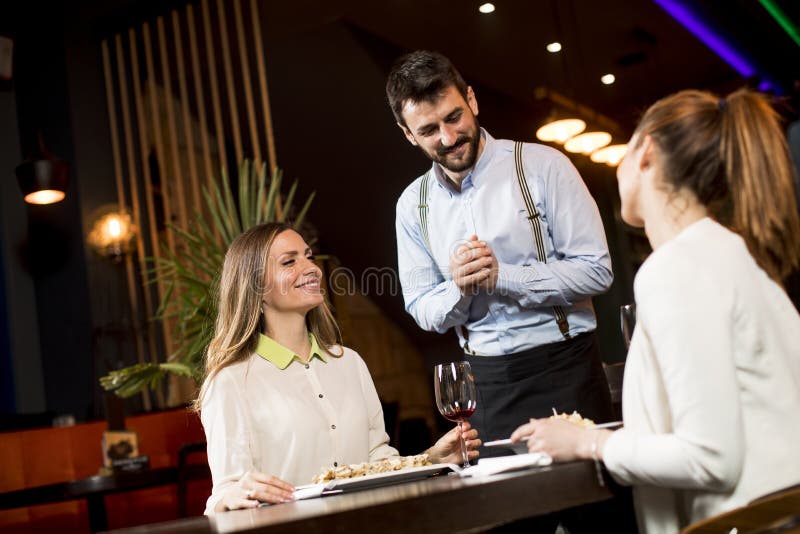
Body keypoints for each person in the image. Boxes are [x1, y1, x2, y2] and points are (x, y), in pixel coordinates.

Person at [511, 88, 800, 533]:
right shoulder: (736, 255)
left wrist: (588, 442)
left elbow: (710, 456)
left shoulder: (676, 266)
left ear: (644, 152)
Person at [387, 50, 628, 533]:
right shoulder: (412, 206)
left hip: (569, 372)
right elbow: (421, 308)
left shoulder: (543, 166)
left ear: (471, 99)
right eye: (429, 130)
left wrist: (506, 277)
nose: (449, 137)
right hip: (489, 390)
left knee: (604, 524)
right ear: (408, 134)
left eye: (454, 117)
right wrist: (458, 288)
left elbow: (597, 271)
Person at [198, 222, 480, 514]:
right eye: (289, 261)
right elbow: (226, 493)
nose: (311, 268)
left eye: (309, 256)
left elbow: (375, 462)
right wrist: (231, 496)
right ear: (255, 287)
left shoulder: (349, 362)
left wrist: (431, 458)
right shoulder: (230, 381)